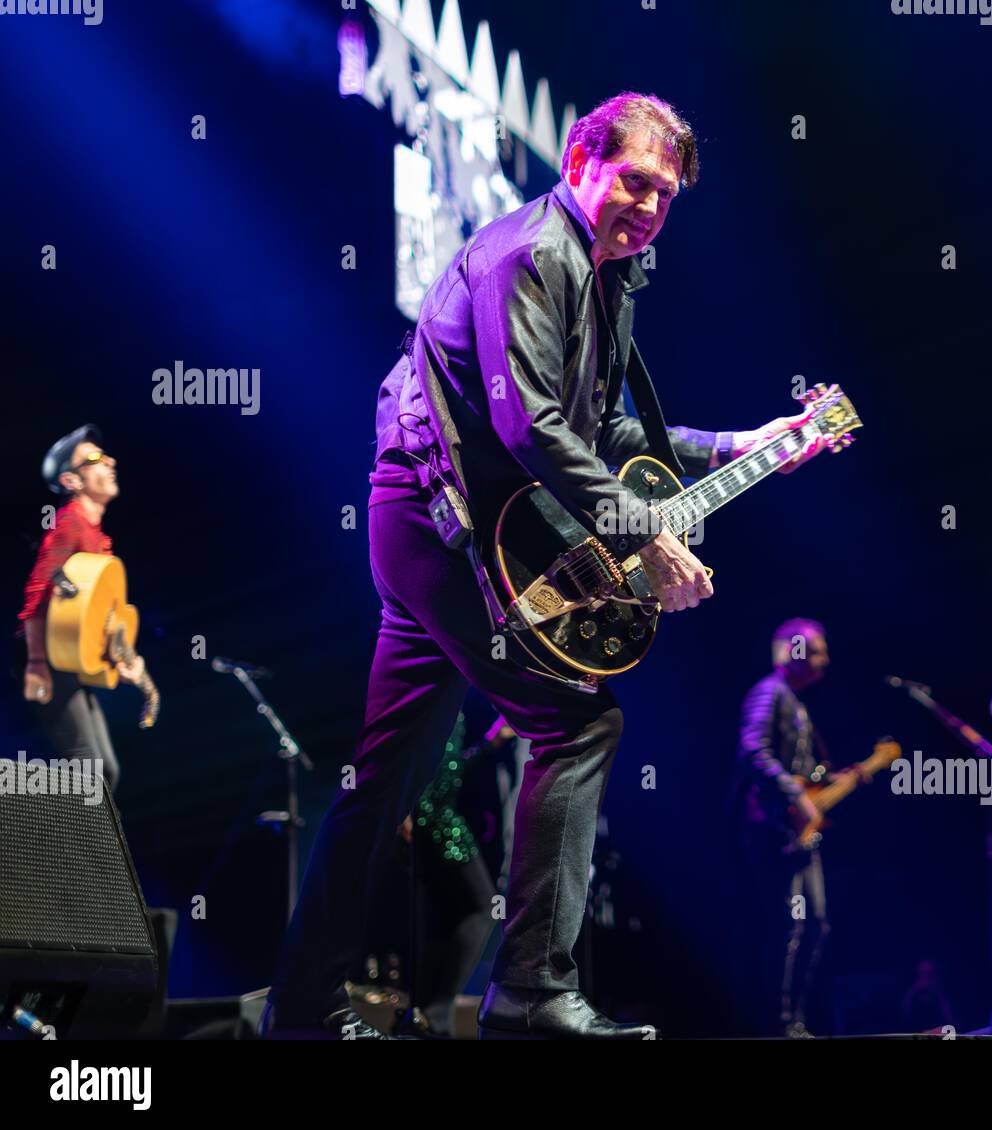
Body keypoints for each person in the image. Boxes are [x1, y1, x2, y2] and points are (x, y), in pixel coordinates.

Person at [266, 92, 824, 1039]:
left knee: (385, 778)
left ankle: (299, 1008)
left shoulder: (604, 274)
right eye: (635, 181)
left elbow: (607, 428)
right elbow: (531, 424)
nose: (649, 206)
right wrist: (643, 535)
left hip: (454, 528)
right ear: (580, 163)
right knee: (577, 721)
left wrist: (747, 443)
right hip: (438, 521)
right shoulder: (534, 253)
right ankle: (528, 991)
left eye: (666, 195)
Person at [18, 425, 145, 792]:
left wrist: (119, 660)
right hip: (50, 659)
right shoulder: (70, 524)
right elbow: (37, 591)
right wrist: (37, 664)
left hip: (70, 661)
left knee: (105, 771)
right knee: (90, 769)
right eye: (94, 458)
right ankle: (63, 846)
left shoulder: (97, 540)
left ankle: (83, 845)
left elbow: (88, 618)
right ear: (71, 480)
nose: (109, 461)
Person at [734, 617, 836, 1037]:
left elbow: (802, 769)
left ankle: (793, 1020)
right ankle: (775, 1024)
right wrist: (794, 796)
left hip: (798, 833)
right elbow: (751, 749)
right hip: (773, 828)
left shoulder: (797, 702)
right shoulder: (769, 693)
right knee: (786, 925)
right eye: (815, 650)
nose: (824, 660)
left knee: (814, 924)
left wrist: (830, 781)